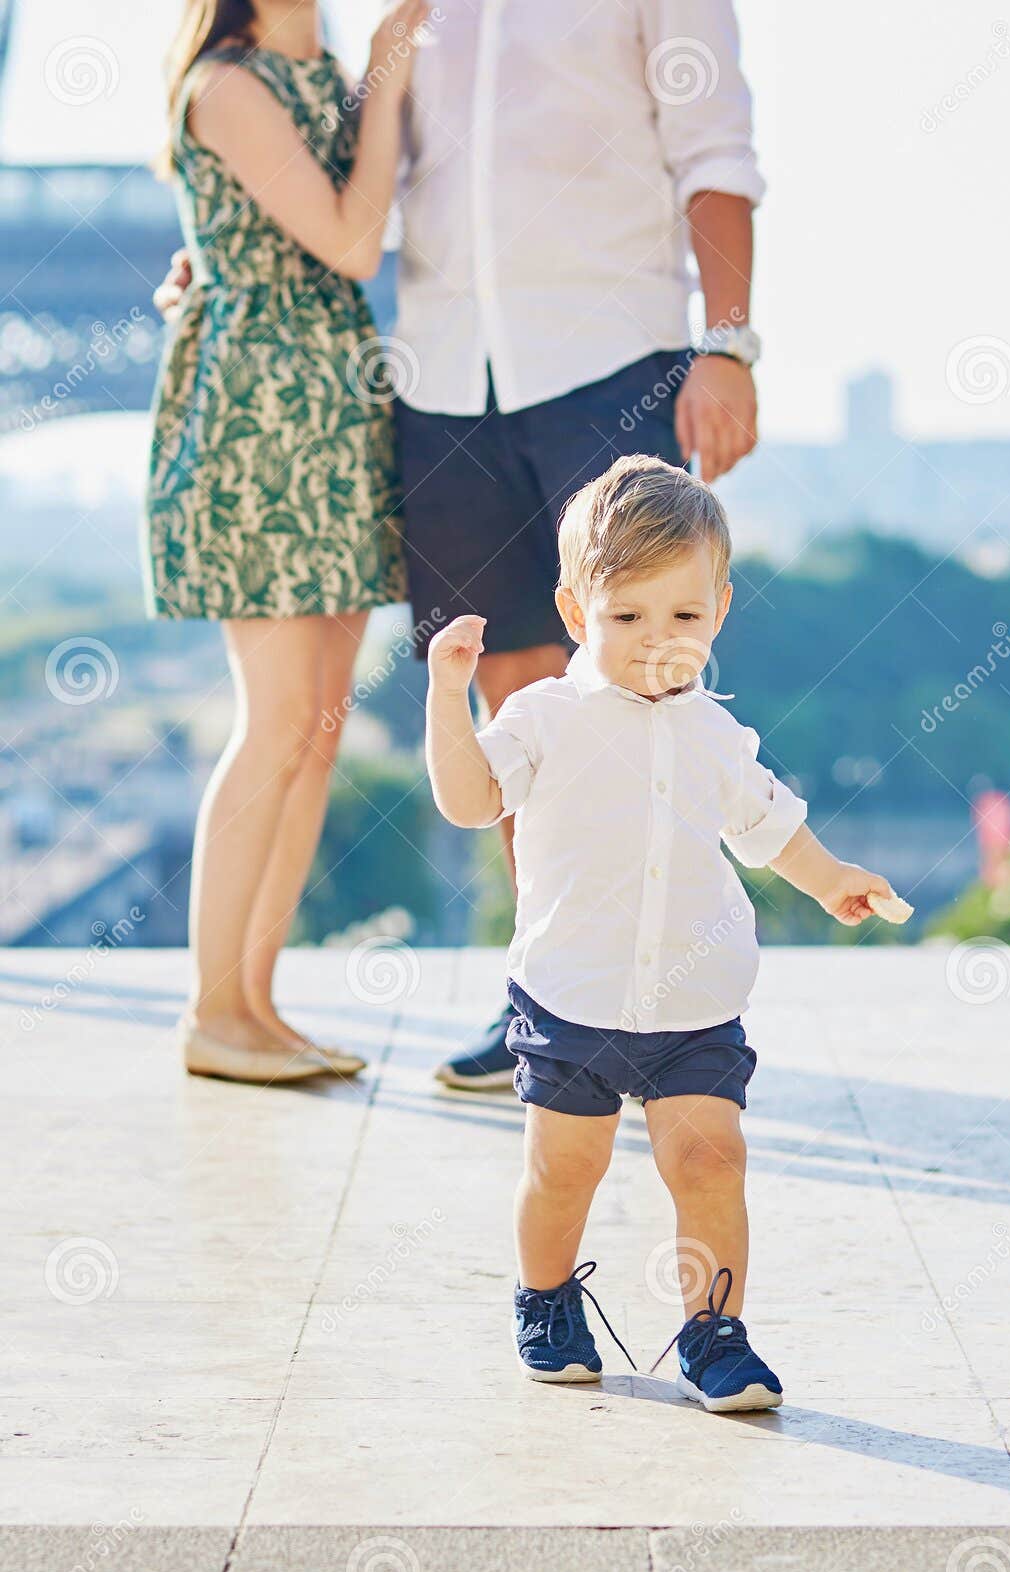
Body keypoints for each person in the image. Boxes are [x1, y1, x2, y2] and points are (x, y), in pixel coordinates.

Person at [159, 0, 768, 1091]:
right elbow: (307, 156)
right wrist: (212, 242)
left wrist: (727, 342)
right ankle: (551, 997)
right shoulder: (392, 12)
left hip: (609, 356)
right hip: (438, 379)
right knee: (520, 699)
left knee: (645, 685)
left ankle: (666, 1005)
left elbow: (714, 145)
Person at [424, 455, 896, 1410]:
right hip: (573, 995)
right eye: (626, 618)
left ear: (718, 611)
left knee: (710, 1159)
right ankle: (545, 1300)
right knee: (566, 1167)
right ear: (573, 616)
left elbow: (772, 830)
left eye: (682, 617)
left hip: (694, 1000)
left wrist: (833, 879)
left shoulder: (715, 734)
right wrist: (447, 696)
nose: (656, 643)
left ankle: (712, 1333)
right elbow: (471, 801)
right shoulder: (543, 717)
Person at [144, 0, 425, 1084]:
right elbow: (355, 242)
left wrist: (378, 74)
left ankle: (255, 1005)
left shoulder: (319, 73)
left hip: (337, 418)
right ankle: (213, 1012)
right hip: (258, 424)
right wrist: (394, 73)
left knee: (314, 732)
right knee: (272, 727)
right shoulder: (229, 83)